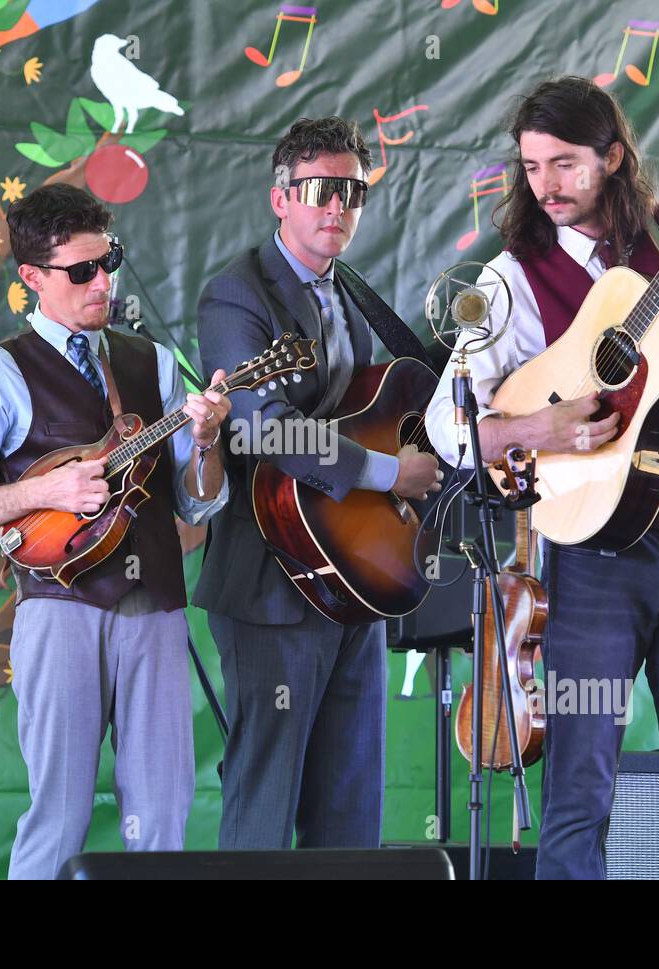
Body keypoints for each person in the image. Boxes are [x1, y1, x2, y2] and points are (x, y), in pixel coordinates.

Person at [425, 76, 659, 879]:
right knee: (578, 792)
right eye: (531, 167)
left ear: (613, 157)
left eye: (564, 163)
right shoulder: (509, 279)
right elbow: (446, 428)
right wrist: (541, 426)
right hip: (590, 560)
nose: (546, 184)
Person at [0, 183, 230, 878]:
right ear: (32, 278)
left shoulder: (151, 361)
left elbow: (199, 506)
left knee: (162, 813)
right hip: (58, 609)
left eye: (110, 260)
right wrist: (47, 488)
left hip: (154, 605)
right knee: (59, 813)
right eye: (82, 270)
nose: (104, 281)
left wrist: (208, 440)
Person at [195, 117, 441, 849]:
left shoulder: (350, 293)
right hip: (271, 583)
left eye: (353, 191)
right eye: (319, 191)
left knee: (350, 810)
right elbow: (263, 428)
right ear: (281, 199)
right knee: (265, 804)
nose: (337, 207)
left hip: (351, 582)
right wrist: (392, 471)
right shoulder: (235, 295)